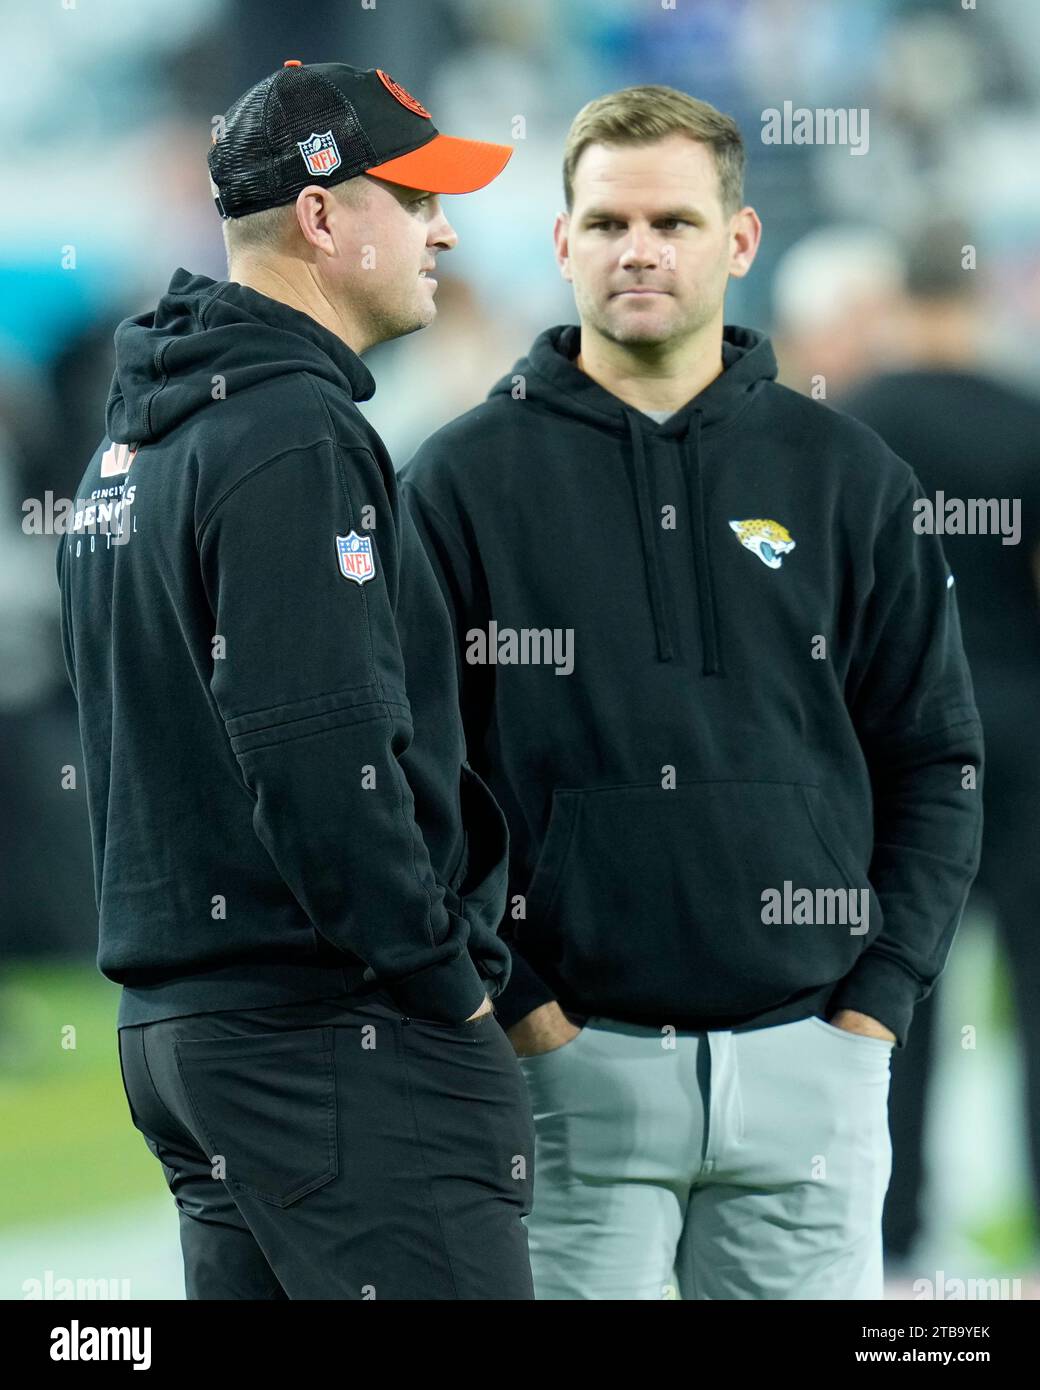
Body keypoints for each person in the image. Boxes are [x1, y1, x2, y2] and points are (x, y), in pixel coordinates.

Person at [401, 84, 984, 1300]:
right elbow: (411, 775)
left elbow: (933, 758)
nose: (638, 250)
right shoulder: (458, 480)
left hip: (809, 1064)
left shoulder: (848, 474)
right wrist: (521, 1005)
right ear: (561, 242)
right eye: (607, 223)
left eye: (671, 220)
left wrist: (871, 1006)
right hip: (570, 1073)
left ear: (738, 239)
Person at [56, 59, 534, 1300]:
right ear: (322, 216)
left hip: (188, 1029)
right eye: (416, 195)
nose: (446, 227)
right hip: (330, 1029)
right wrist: (443, 987)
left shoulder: (140, 437)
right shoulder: (289, 432)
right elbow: (325, 753)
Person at [841, 219, 1040, 1274]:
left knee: (893, 990)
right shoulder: (1025, 417)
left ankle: (891, 1236)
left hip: (896, 741)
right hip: (1022, 722)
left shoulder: (855, 425)